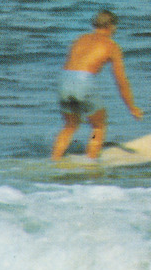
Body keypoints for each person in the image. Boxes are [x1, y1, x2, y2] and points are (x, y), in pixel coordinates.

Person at [50, 10, 143, 160]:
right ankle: (91, 163)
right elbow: (121, 81)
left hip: (64, 79)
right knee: (98, 126)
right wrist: (132, 108)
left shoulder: (80, 39)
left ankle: (54, 160)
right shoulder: (112, 46)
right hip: (84, 81)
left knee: (70, 126)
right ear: (111, 26)